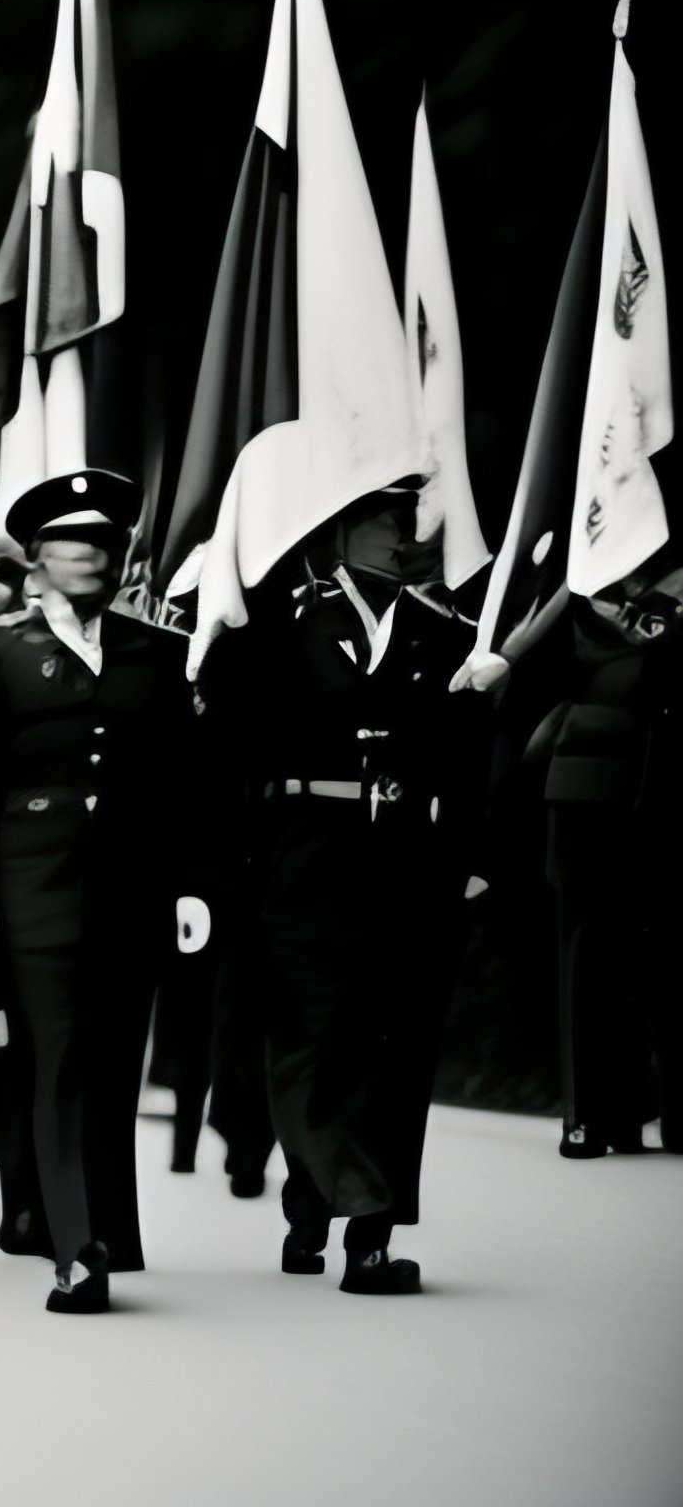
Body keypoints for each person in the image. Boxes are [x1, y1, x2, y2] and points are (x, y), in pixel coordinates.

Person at [0, 469, 215, 1313]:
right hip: (32, 888)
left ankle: (102, 1224)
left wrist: (192, 887)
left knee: (111, 1057)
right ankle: (76, 1250)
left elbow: (186, 786)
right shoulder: (1, 649)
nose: (88, 555)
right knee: (56, 1057)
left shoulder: (159, 654)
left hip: (130, 887)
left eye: (103, 541)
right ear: (37, 558)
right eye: (68, 541)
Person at [204, 483, 492, 1293]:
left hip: (409, 861)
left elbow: (474, 763)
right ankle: (334, 1195)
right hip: (301, 858)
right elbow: (225, 760)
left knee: (392, 1048)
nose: (400, 536)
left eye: (405, 523)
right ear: (335, 531)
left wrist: (472, 857)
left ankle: (367, 1234)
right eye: (381, 520)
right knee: (308, 1041)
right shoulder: (274, 630)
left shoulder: (447, 638)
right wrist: (228, 876)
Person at [492, 555, 682, 1160]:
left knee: (658, 950)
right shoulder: (576, 576)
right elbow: (527, 688)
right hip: (588, 775)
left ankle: (640, 1113)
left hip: (650, 772)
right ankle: (591, 1115)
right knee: (589, 947)